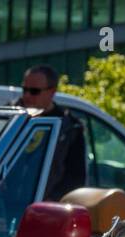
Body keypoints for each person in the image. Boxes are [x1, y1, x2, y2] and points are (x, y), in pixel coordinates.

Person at [16, 64, 86, 201]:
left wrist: (50, 202)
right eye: (24, 89)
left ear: (52, 92)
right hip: (3, 206)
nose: (27, 96)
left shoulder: (69, 127)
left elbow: (75, 178)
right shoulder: (11, 116)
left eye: (34, 91)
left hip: (43, 208)